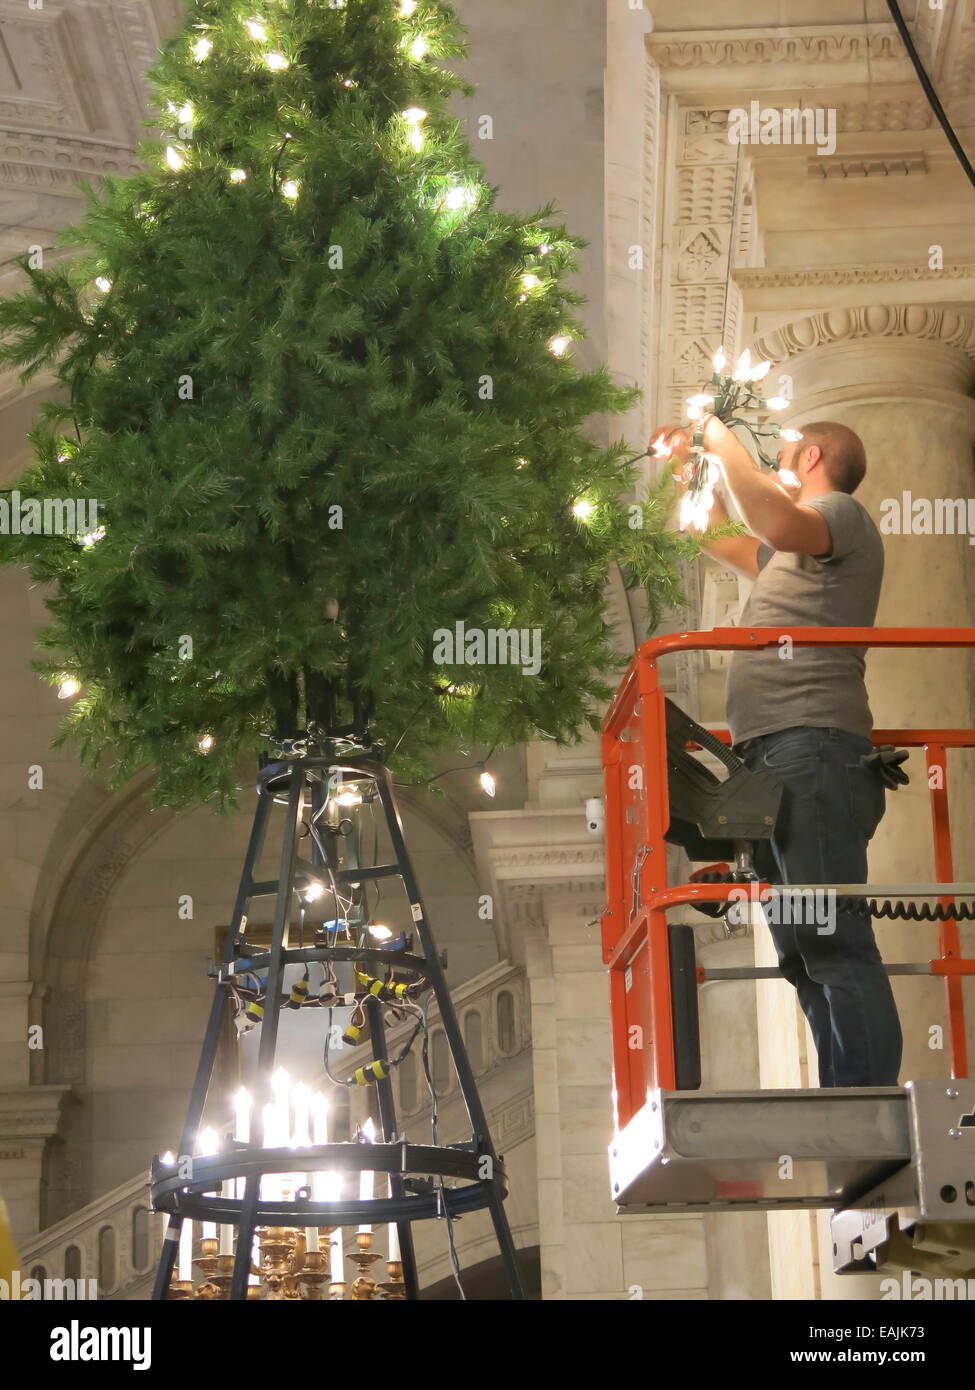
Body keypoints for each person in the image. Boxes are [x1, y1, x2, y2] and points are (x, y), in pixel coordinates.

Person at [657, 413, 902, 1089]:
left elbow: (769, 518)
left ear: (814, 455)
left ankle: (864, 1106)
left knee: (830, 938)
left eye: (786, 451)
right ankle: (843, 1099)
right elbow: (710, 534)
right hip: (775, 757)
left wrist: (718, 434)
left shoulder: (837, 513)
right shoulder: (790, 551)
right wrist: (688, 469)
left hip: (812, 748)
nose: (774, 461)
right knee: (798, 948)